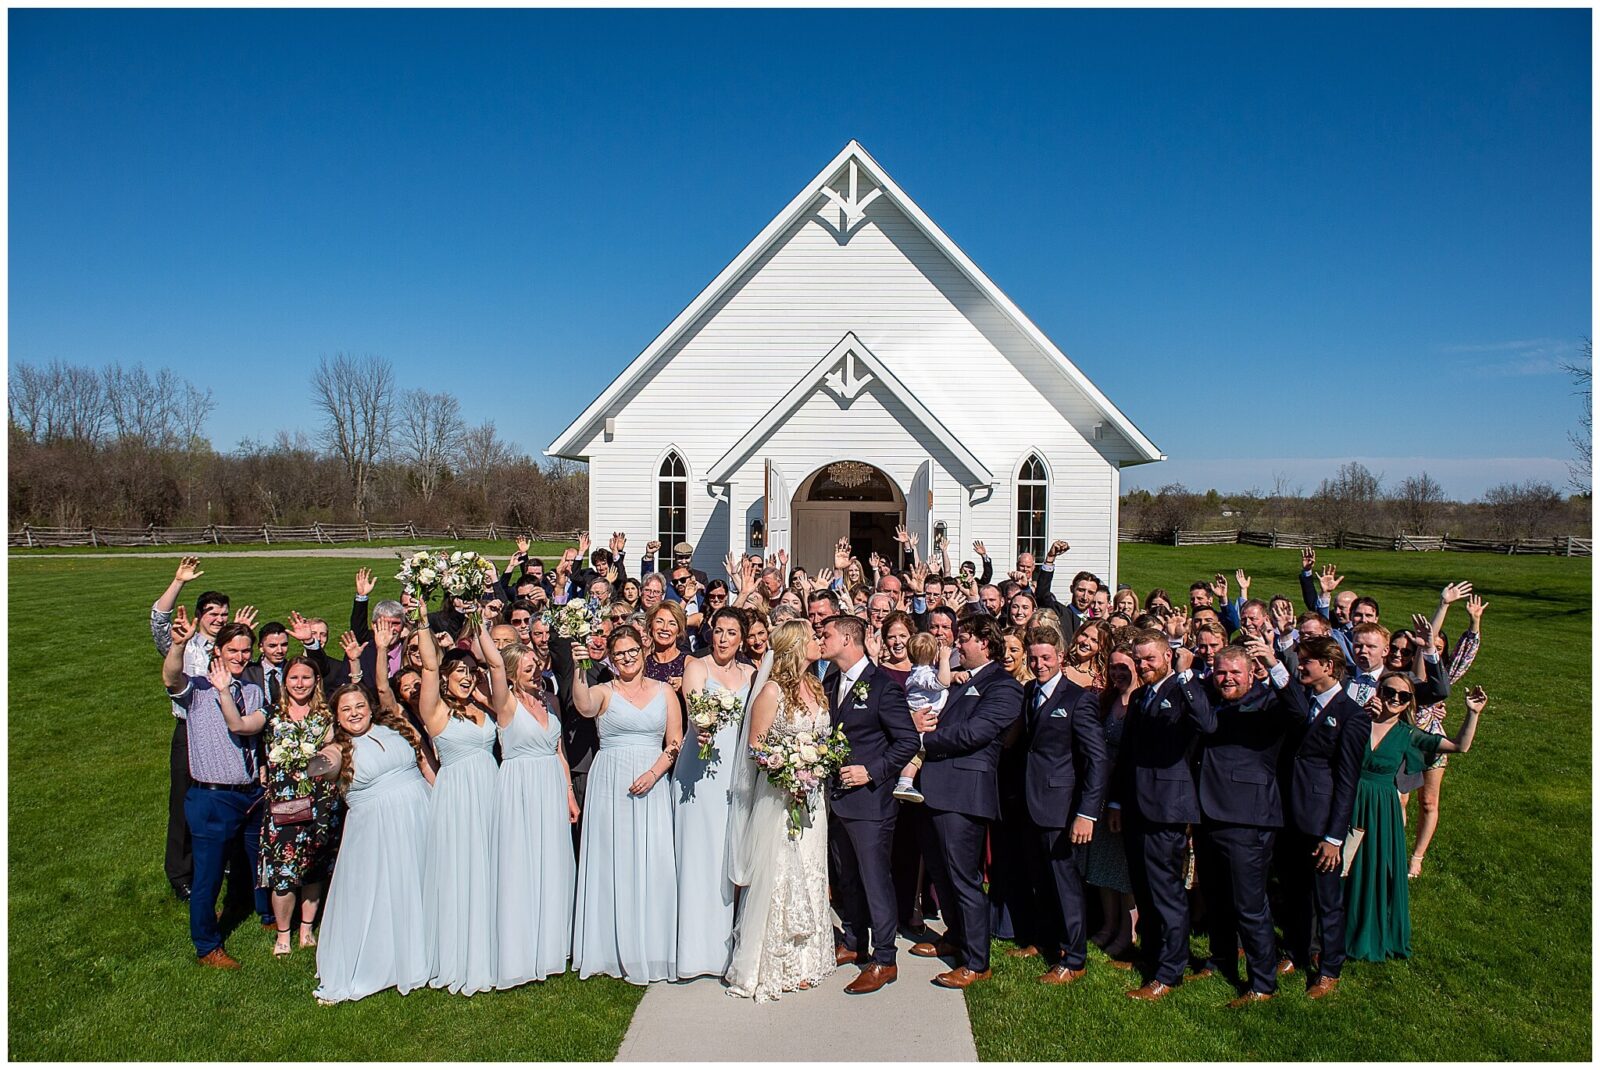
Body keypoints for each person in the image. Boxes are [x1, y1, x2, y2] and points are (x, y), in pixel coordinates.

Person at [909, 614, 1025, 989]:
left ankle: (977, 961)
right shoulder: (965, 681)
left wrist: (924, 739)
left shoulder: (1003, 686)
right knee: (941, 872)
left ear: (985, 644)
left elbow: (976, 732)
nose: (958, 644)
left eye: (965, 639)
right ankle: (955, 936)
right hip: (935, 788)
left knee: (963, 878)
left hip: (963, 793)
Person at [725, 620, 836, 1001]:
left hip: (813, 798)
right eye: (813, 637)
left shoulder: (816, 686)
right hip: (781, 797)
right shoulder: (771, 691)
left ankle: (807, 960)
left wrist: (816, 765)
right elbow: (755, 747)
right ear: (796, 646)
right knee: (782, 873)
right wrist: (788, 770)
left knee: (812, 869)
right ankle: (776, 962)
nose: (819, 641)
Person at [1191, 640, 1306, 1007]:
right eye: (1220, 672)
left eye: (1234, 673)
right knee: (1216, 896)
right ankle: (1221, 958)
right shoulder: (1212, 698)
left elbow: (1299, 711)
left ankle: (1262, 982)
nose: (1226, 679)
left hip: (1247, 817)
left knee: (1250, 903)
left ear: (1252, 673)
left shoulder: (1269, 703)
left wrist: (1274, 663)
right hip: (1207, 813)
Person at [568, 625, 684, 984]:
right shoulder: (604, 691)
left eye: (632, 650)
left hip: (653, 780)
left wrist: (654, 773)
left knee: (653, 858)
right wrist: (579, 668)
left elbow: (675, 741)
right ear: (611, 658)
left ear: (643, 650)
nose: (627, 658)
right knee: (612, 858)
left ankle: (652, 945)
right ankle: (608, 946)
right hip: (611, 783)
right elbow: (583, 706)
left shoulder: (665, 691)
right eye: (619, 654)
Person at [1345, 677, 1486, 961]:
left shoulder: (1408, 735)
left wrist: (1472, 713)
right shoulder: (1357, 721)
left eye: (1404, 696)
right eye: (1389, 692)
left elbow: (1459, 746)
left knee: (1375, 865)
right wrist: (1361, 714)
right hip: (1349, 799)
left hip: (1382, 808)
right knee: (1345, 865)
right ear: (1378, 691)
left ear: (1410, 702)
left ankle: (1367, 931)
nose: (1395, 699)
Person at [1107, 629, 1215, 1002]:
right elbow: (1127, 754)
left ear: (1168, 656)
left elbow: (1207, 724)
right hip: (1136, 805)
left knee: (1166, 891)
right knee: (1144, 887)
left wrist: (1186, 676)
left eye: (1150, 659)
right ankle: (1150, 955)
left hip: (1168, 807)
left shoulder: (1185, 690)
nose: (1142, 666)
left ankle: (1170, 970)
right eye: (1138, 660)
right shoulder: (1140, 696)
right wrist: (1117, 802)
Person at [311, 683, 436, 1003]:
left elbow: (423, 765)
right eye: (346, 709)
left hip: (420, 812)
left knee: (425, 881)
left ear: (370, 707)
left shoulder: (394, 727)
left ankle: (432, 950)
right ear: (337, 717)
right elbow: (324, 765)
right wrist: (319, 757)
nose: (354, 713)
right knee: (385, 890)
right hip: (377, 831)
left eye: (359, 706)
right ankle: (388, 960)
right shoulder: (339, 748)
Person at [160, 613, 266, 968]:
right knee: (208, 875)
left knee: (253, 863)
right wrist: (178, 645)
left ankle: (262, 914)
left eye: (245, 651)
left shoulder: (252, 691)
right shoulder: (197, 689)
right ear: (217, 652)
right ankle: (207, 945)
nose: (240, 657)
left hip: (249, 794)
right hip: (212, 795)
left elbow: (248, 730)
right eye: (232, 650)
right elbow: (170, 677)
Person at [820, 614, 917, 995]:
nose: (821, 640)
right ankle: (854, 940)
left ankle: (885, 958)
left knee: (875, 879)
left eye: (826, 634)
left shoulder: (882, 687)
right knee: (847, 876)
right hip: (838, 799)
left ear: (847, 639)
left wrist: (871, 771)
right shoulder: (831, 682)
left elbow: (908, 741)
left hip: (871, 803)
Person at [1017, 623, 1110, 985]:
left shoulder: (1078, 699)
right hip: (1031, 801)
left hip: (1062, 806)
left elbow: (1096, 759)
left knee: (1066, 883)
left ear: (1060, 657)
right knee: (1040, 879)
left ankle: (1074, 958)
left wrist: (1086, 812)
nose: (1039, 664)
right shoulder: (1030, 692)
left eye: (1046, 658)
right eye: (1034, 658)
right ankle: (1047, 941)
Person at [1279, 635, 1369, 1000]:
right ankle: (1295, 950)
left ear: (1328, 666)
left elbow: (1347, 783)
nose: (1300, 667)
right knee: (1293, 891)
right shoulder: (1304, 703)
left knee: (1327, 899)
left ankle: (1330, 968)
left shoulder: (1352, 716)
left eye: (1306, 662)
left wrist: (1334, 837)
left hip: (1322, 823)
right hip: (1291, 815)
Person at [415, 615, 500, 996]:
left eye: (470, 671)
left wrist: (479, 619)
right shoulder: (436, 712)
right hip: (458, 796)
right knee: (460, 868)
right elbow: (429, 665)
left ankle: (493, 946)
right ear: (445, 677)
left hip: (490, 789)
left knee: (490, 865)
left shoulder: (484, 707)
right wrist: (422, 622)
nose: (466, 676)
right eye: (459, 671)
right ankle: (458, 952)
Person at [486, 638, 579, 989]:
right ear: (511, 674)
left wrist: (568, 794)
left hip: (551, 785)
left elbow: (559, 751)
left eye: (537, 667)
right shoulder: (506, 702)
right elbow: (494, 663)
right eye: (528, 670)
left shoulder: (549, 701)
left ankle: (554, 944)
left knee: (553, 861)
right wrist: (478, 621)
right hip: (519, 787)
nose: (536, 673)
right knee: (520, 863)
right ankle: (520, 948)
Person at [674, 608, 757, 979]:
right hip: (699, 766)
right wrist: (701, 725)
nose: (723, 639)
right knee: (698, 855)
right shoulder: (697, 667)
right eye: (719, 631)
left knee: (727, 855)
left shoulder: (751, 674)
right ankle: (693, 952)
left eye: (731, 633)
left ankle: (725, 950)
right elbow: (695, 709)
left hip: (733, 771)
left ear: (742, 639)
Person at [149, 556, 228, 901]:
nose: (219, 619)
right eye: (212, 613)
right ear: (199, 616)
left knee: (223, 798)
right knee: (184, 802)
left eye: (224, 614)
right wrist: (179, 581)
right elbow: (158, 620)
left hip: (224, 731)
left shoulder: (231, 646)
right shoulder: (185, 644)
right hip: (189, 730)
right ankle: (181, 873)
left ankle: (224, 861)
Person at [257, 655, 341, 957]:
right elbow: (242, 727)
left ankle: (306, 928)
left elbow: (336, 749)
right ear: (284, 681)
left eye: (306, 677)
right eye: (294, 677)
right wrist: (225, 692)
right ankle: (283, 934)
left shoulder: (326, 715)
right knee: (284, 870)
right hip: (285, 802)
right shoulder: (272, 714)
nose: (300, 683)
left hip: (319, 801)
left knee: (313, 868)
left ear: (316, 681)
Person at [1408, 593, 1486, 878]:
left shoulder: (1444, 675)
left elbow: (1466, 654)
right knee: (1400, 801)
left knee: (1429, 802)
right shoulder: (1410, 674)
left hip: (1434, 743)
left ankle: (1417, 857)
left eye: (1440, 649)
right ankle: (1389, 847)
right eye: (1432, 647)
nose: (1435, 652)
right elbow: (1425, 647)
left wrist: (1474, 622)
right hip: (1407, 741)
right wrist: (1443, 607)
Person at [1085, 644, 1138, 960]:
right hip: (1102, 790)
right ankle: (1108, 924)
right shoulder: (1107, 700)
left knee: (1124, 867)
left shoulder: (1141, 701)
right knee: (1102, 860)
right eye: (1113, 667)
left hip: (1128, 792)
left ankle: (1128, 930)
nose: (1117, 672)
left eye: (1124, 667)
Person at [892, 632, 951, 803]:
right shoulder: (922, 675)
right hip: (920, 718)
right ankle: (904, 783)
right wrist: (945, 660)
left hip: (926, 718)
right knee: (917, 752)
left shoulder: (922, 672)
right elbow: (943, 682)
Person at [643, 602, 688, 690]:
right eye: (659, 621)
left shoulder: (689, 663)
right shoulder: (641, 663)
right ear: (650, 626)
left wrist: (686, 685)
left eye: (672, 623)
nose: (665, 628)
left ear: (679, 630)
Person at [1063, 619, 1111, 690]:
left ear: (1102, 647)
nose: (1085, 642)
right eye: (1084, 635)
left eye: (1094, 640)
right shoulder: (1059, 663)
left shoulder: (1104, 677)